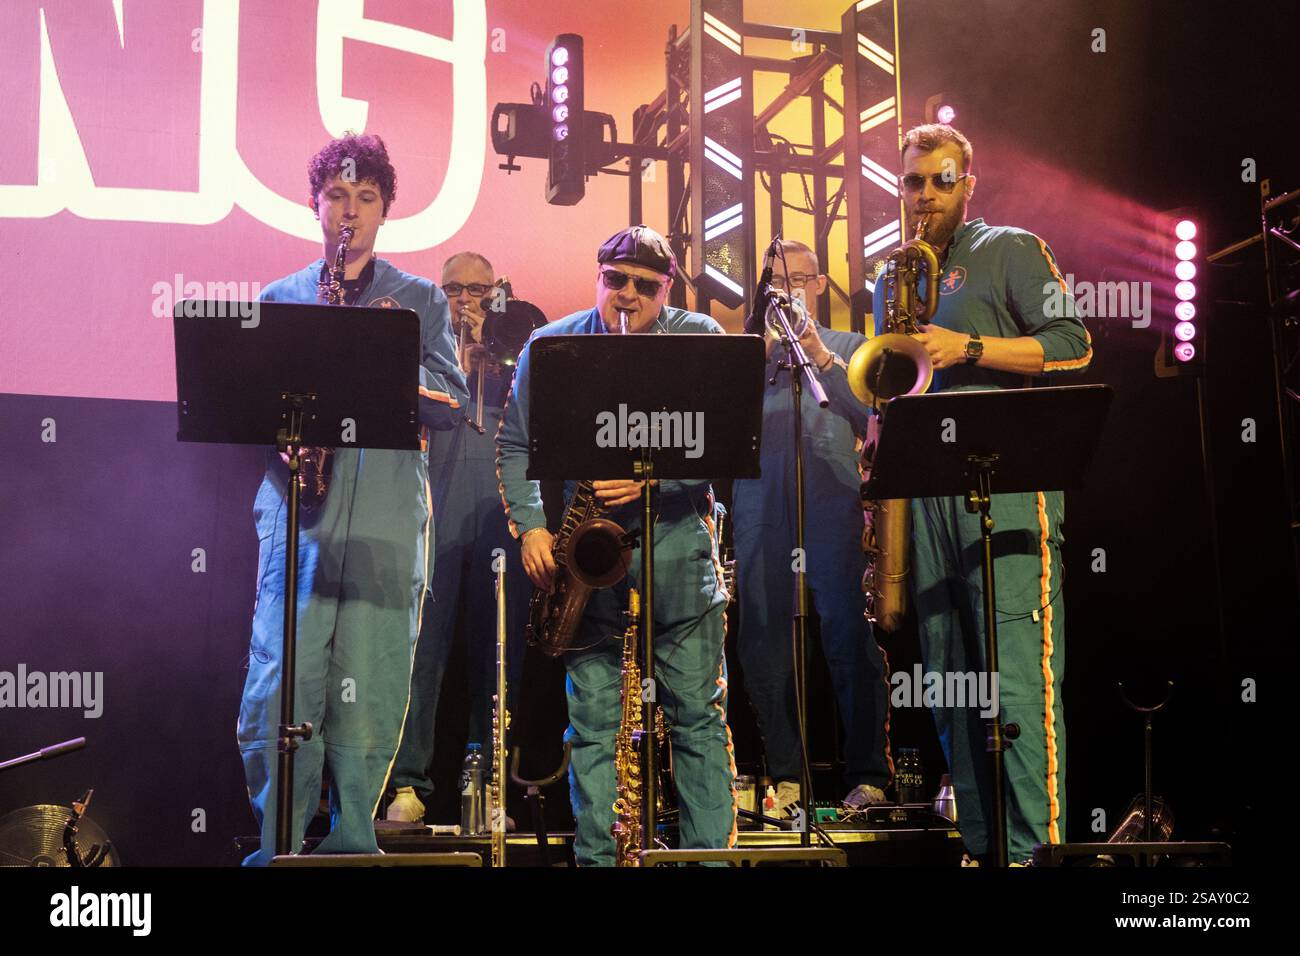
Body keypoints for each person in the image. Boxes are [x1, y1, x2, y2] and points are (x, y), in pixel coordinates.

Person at [236, 133, 468, 865]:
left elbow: (452, 400)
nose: (350, 211)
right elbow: (244, 408)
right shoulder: (281, 297)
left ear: (384, 211)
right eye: (337, 195)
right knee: (282, 680)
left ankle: (352, 841)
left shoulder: (421, 299)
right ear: (315, 204)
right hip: (299, 517)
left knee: (367, 684)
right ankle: (280, 841)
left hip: (385, 516)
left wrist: (377, 369)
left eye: (366, 198)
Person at [496, 225, 737, 866]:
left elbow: (728, 444)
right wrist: (533, 526)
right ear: (598, 277)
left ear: (667, 290)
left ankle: (706, 860)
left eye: (644, 285)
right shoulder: (550, 345)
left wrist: (654, 474)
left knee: (696, 717)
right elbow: (516, 445)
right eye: (614, 280)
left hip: (679, 553)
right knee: (595, 725)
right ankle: (598, 861)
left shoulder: (700, 340)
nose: (626, 296)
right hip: (587, 562)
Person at [888, 124, 1092, 863]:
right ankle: (982, 848)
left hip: (1007, 483)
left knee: (1016, 684)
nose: (927, 196)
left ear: (968, 184)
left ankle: (1038, 854)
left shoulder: (1009, 247)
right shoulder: (895, 276)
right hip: (930, 493)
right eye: (915, 182)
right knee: (951, 686)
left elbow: (1073, 345)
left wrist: (965, 348)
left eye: (943, 181)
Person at [733, 239, 892, 816]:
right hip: (758, 502)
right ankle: (785, 775)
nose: (789, 292)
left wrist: (822, 356)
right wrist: (759, 357)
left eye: (799, 280)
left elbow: (876, 421)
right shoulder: (749, 356)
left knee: (848, 632)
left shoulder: (849, 349)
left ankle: (869, 775)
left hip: (832, 499)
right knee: (761, 634)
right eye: (777, 284)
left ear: (820, 286)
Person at [387, 252, 531, 823]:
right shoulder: (423, 348)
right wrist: (452, 359)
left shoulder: (517, 346)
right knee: (422, 647)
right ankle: (406, 785)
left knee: (497, 649)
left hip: (498, 514)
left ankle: (489, 782)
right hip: (435, 511)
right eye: (453, 288)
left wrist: (493, 359)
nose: (465, 299)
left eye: (477, 289)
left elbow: (531, 423)